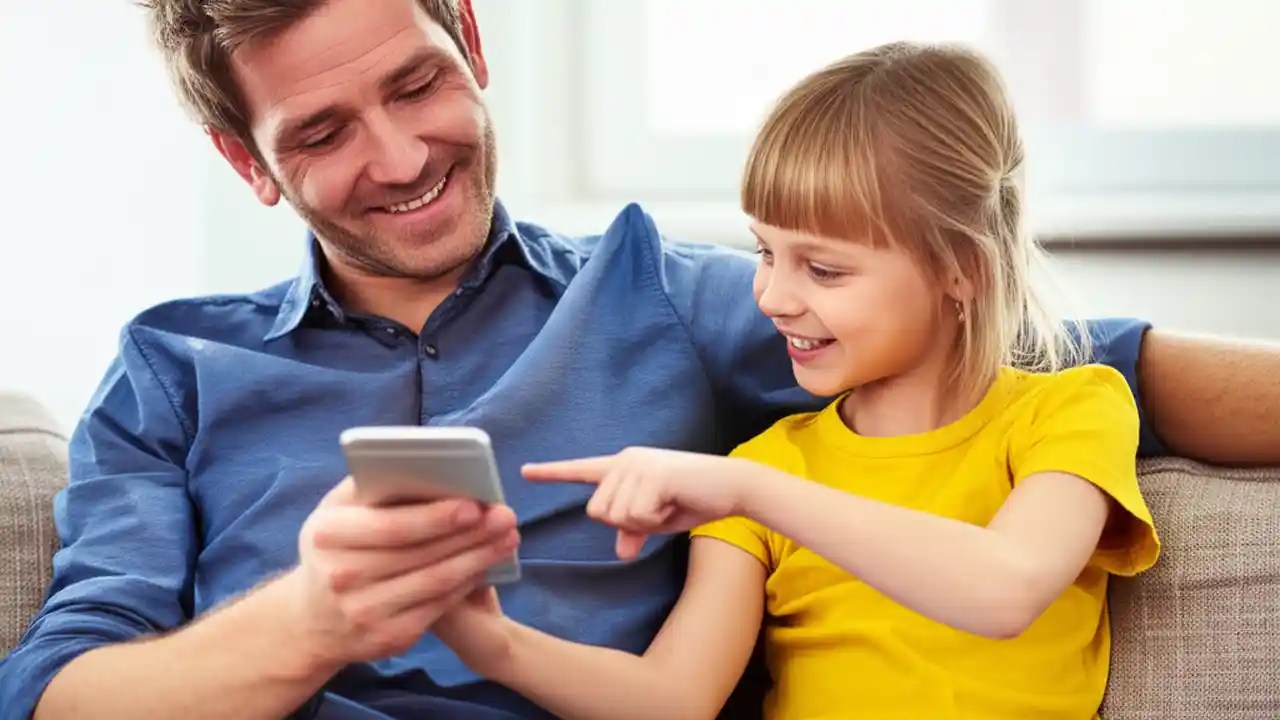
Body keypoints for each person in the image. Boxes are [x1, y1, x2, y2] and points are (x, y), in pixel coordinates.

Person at [0, 1, 1276, 719]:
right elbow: (60, 699)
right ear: (248, 164)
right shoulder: (175, 368)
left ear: (475, 47)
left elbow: (1056, 352)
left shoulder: (663, 294)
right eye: (323, 130)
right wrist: (311, 622)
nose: (396, 159)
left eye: (417, 85)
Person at [429, 40, 1158, 720]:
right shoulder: (767, 466)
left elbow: (1005, 589)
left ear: (961, 270)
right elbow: (673, 699)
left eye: (823, 268)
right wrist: (491, 641)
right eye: (765, 252)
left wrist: (750, 493)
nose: (771, 296)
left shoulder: (1072, 410)